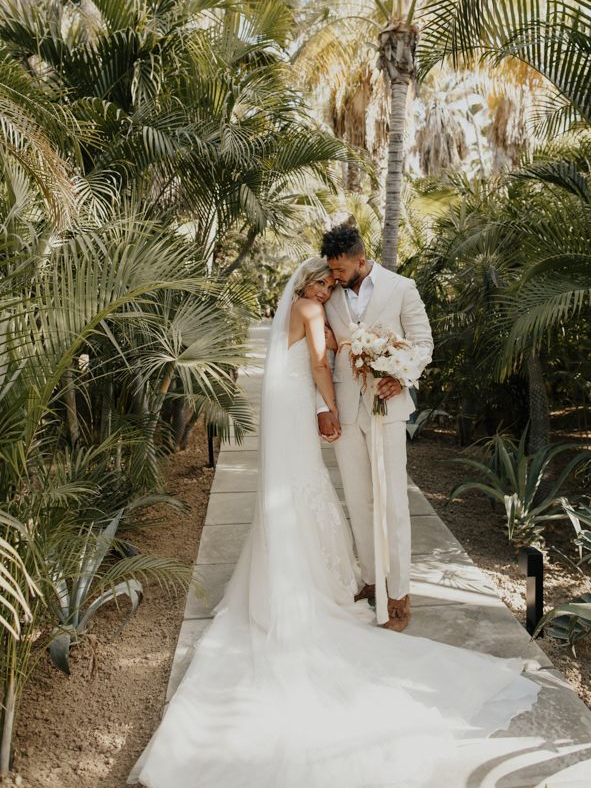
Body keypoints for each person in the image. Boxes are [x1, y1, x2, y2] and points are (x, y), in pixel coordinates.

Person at [134, 257, 539, 788]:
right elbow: (322, 367)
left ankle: (331, 577)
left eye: (333, 280)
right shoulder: (309, 308)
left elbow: (382, 346)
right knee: (305, 490)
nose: (329, 288)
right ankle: (315, 582)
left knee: (297, 492)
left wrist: (374, 376)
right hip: (306, 403)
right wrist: (328, 408)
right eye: (323, 281)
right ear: (305, 283)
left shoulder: (310, 307)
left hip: (295, 405)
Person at [317, 223, 432, 631]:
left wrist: (401, 376)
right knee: (359, 498)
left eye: (342, 270)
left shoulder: (402, 287)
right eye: (331, 270)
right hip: (345, 408)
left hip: (388, 406)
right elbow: (321, 356)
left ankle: (399, 593)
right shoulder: (327, 292)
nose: (335, 277)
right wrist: (322, 407)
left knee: (392, 502)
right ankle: (370, 578)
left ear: (362, 260)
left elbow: (422, 343)